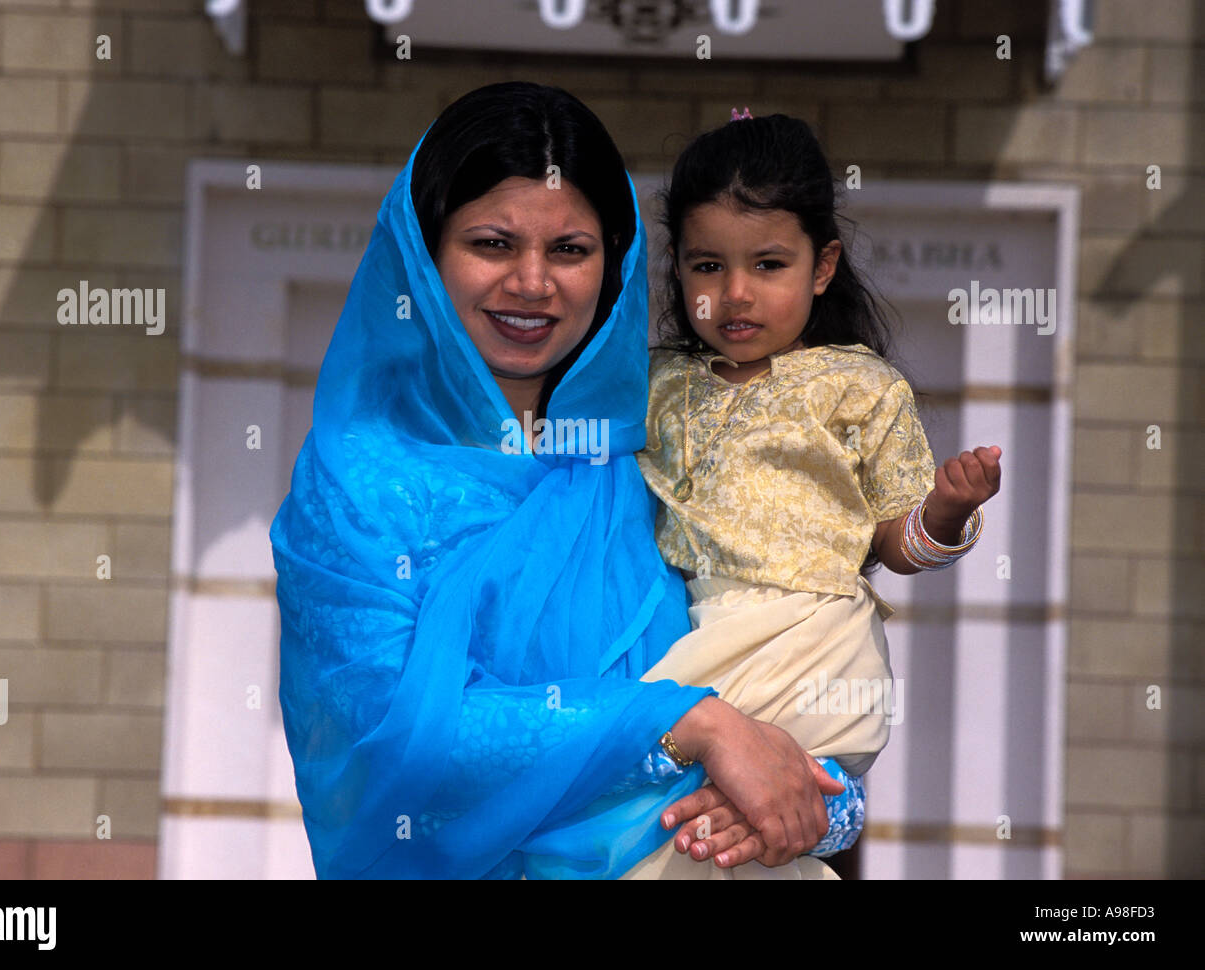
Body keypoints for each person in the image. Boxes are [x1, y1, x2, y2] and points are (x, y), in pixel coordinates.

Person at [269, 82, 852, 879]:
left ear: (614, 266)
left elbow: (814, 711)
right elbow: (393, 745)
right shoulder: (358, 485)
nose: (532, 283)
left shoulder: (667, 455)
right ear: (425, 253)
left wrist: (790, 811)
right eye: (493, 244)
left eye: (569, 250)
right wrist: (688, 727)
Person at [625, 109, 1003, 878]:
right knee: (666, 797)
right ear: (677, 269)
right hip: (701, 631)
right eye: (706, 267)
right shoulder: (655, 386)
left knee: (777, 805)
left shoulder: (860, 388)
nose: (735, 294)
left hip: (816, 638)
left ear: (821, 266)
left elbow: (896, 546)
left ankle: (775, 808)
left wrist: (946, 510)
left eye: (768, 265)